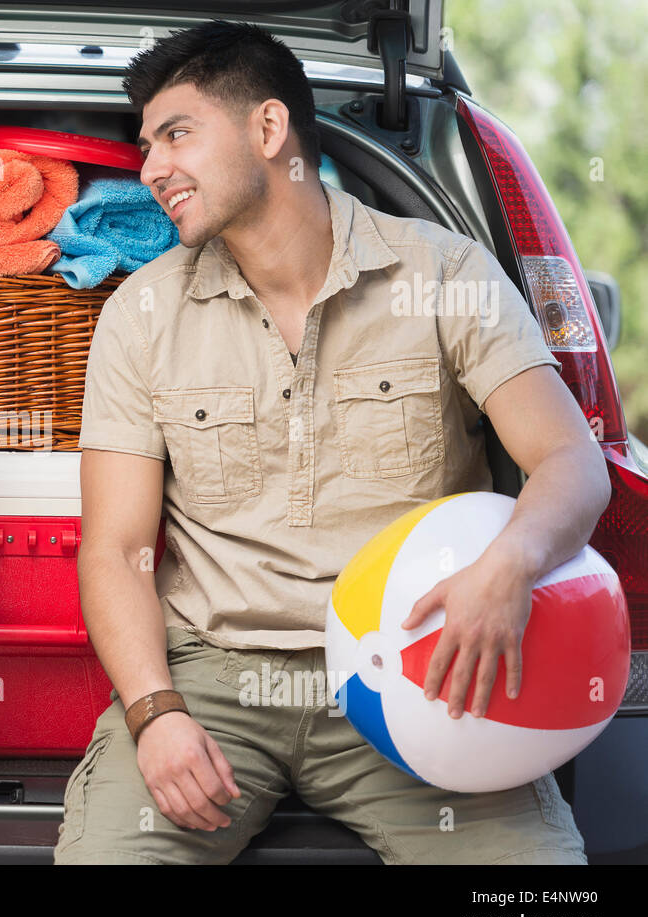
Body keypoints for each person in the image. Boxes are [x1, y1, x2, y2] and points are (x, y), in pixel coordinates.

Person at [54, 20, 608, 864]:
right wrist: (154, 712)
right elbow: (116, 549)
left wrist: (510, 566)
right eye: (147, 146)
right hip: (216, 683)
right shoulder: (142, 314)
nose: (150, 168)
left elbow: (573, 462)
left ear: (269, 130)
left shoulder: (446, 276)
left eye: (176, 135)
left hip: (427, 668)